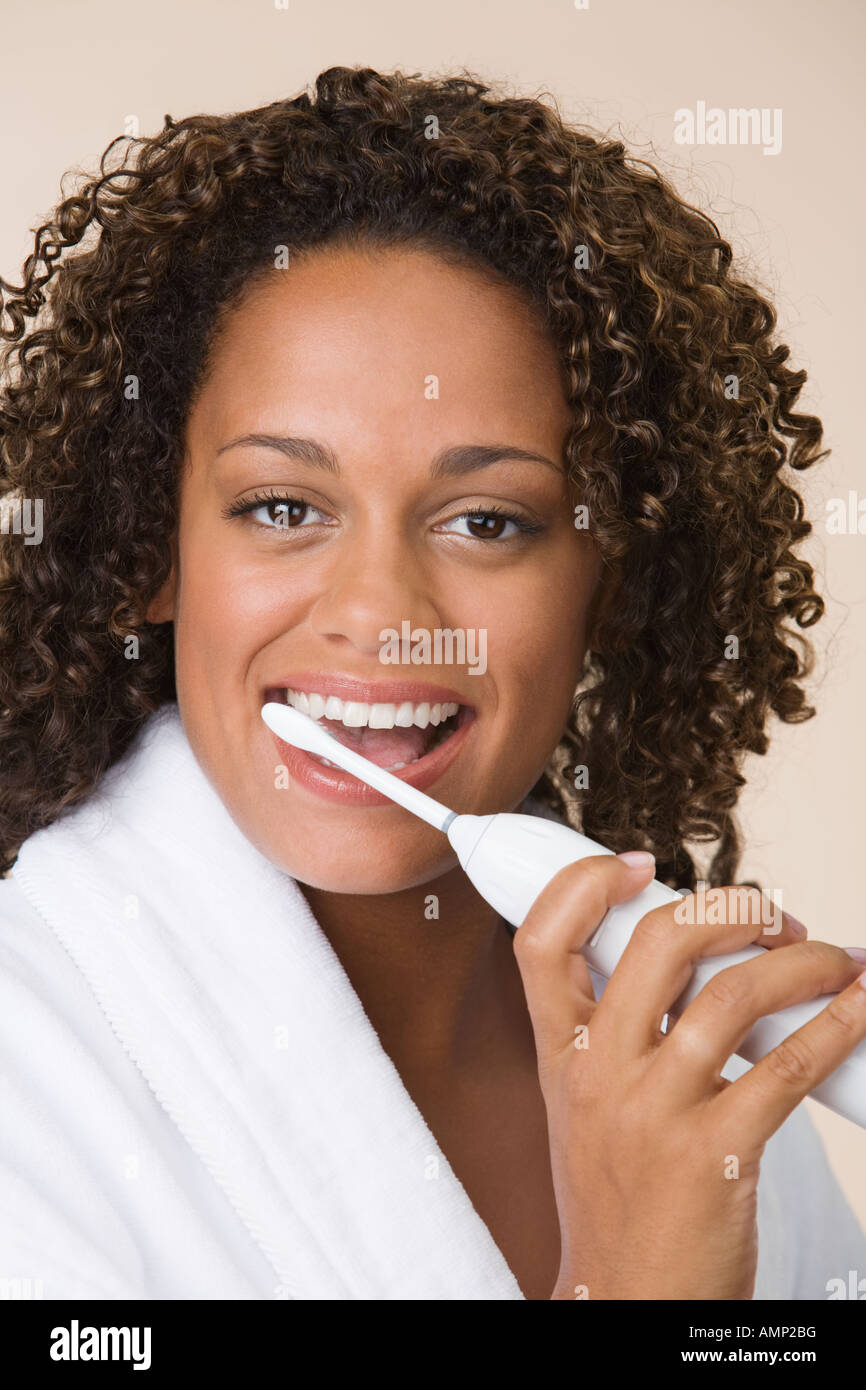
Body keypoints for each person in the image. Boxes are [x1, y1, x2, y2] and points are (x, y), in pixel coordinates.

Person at [1, 64, 864, 1302]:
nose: (378, 619)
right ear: (151, 550)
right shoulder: (22, 1069)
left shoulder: (691, 1050)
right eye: (282, 506)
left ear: (611, 584)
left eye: (485, 522)